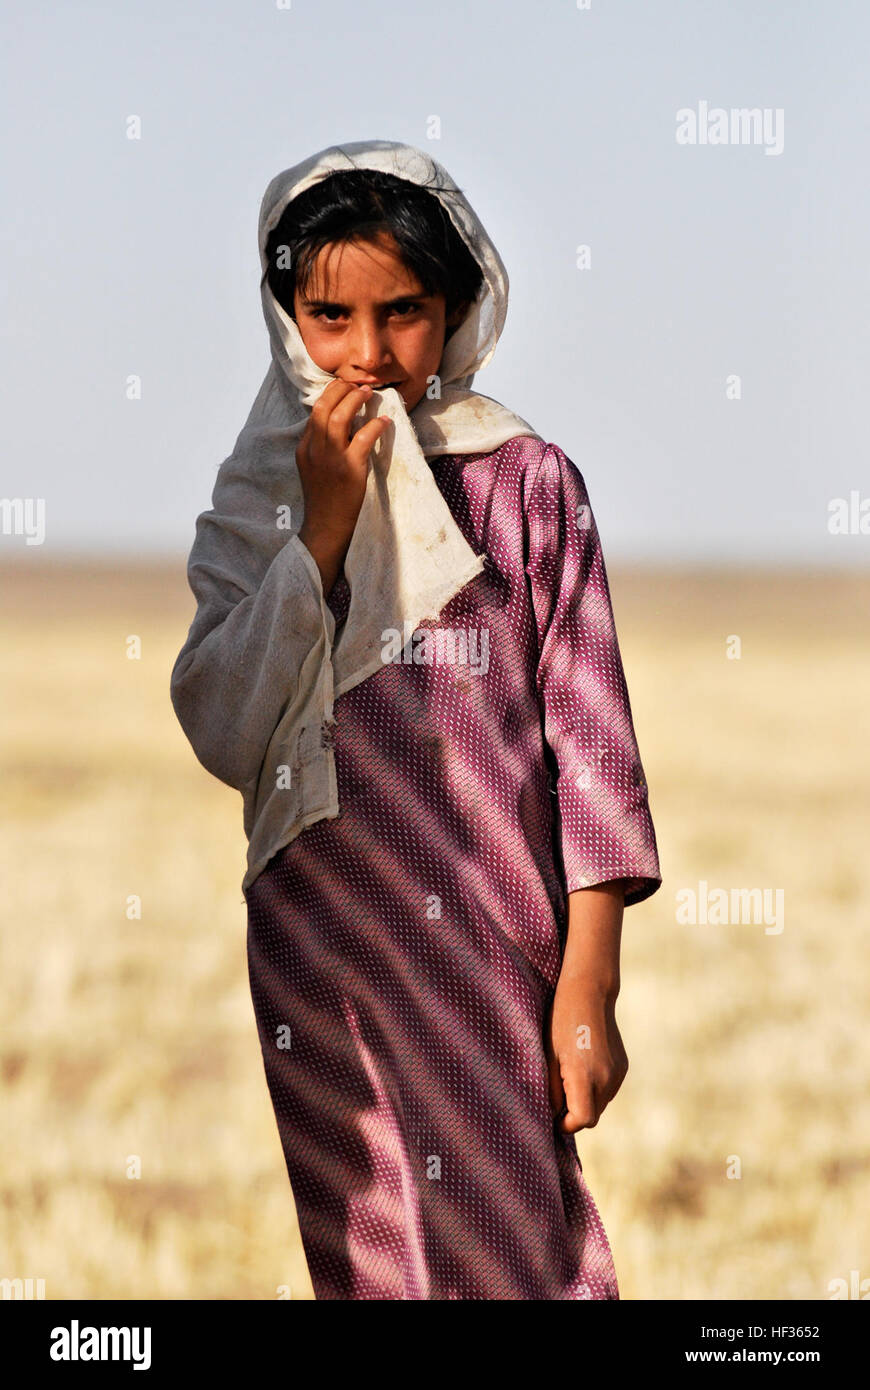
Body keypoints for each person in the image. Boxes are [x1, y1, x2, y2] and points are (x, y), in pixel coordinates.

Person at [170, 140, 662, 1300]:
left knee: (525, 1249)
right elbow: (225, 722)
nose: (369, 354)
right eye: (328, 314)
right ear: (287, 315)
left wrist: (591, 979)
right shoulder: (260, 500)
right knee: (380, 1261)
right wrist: (324, 531)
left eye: (405, 312)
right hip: (324, 948)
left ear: (460, 308)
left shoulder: (528, 482)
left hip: (496, 939)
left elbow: (590, 740)